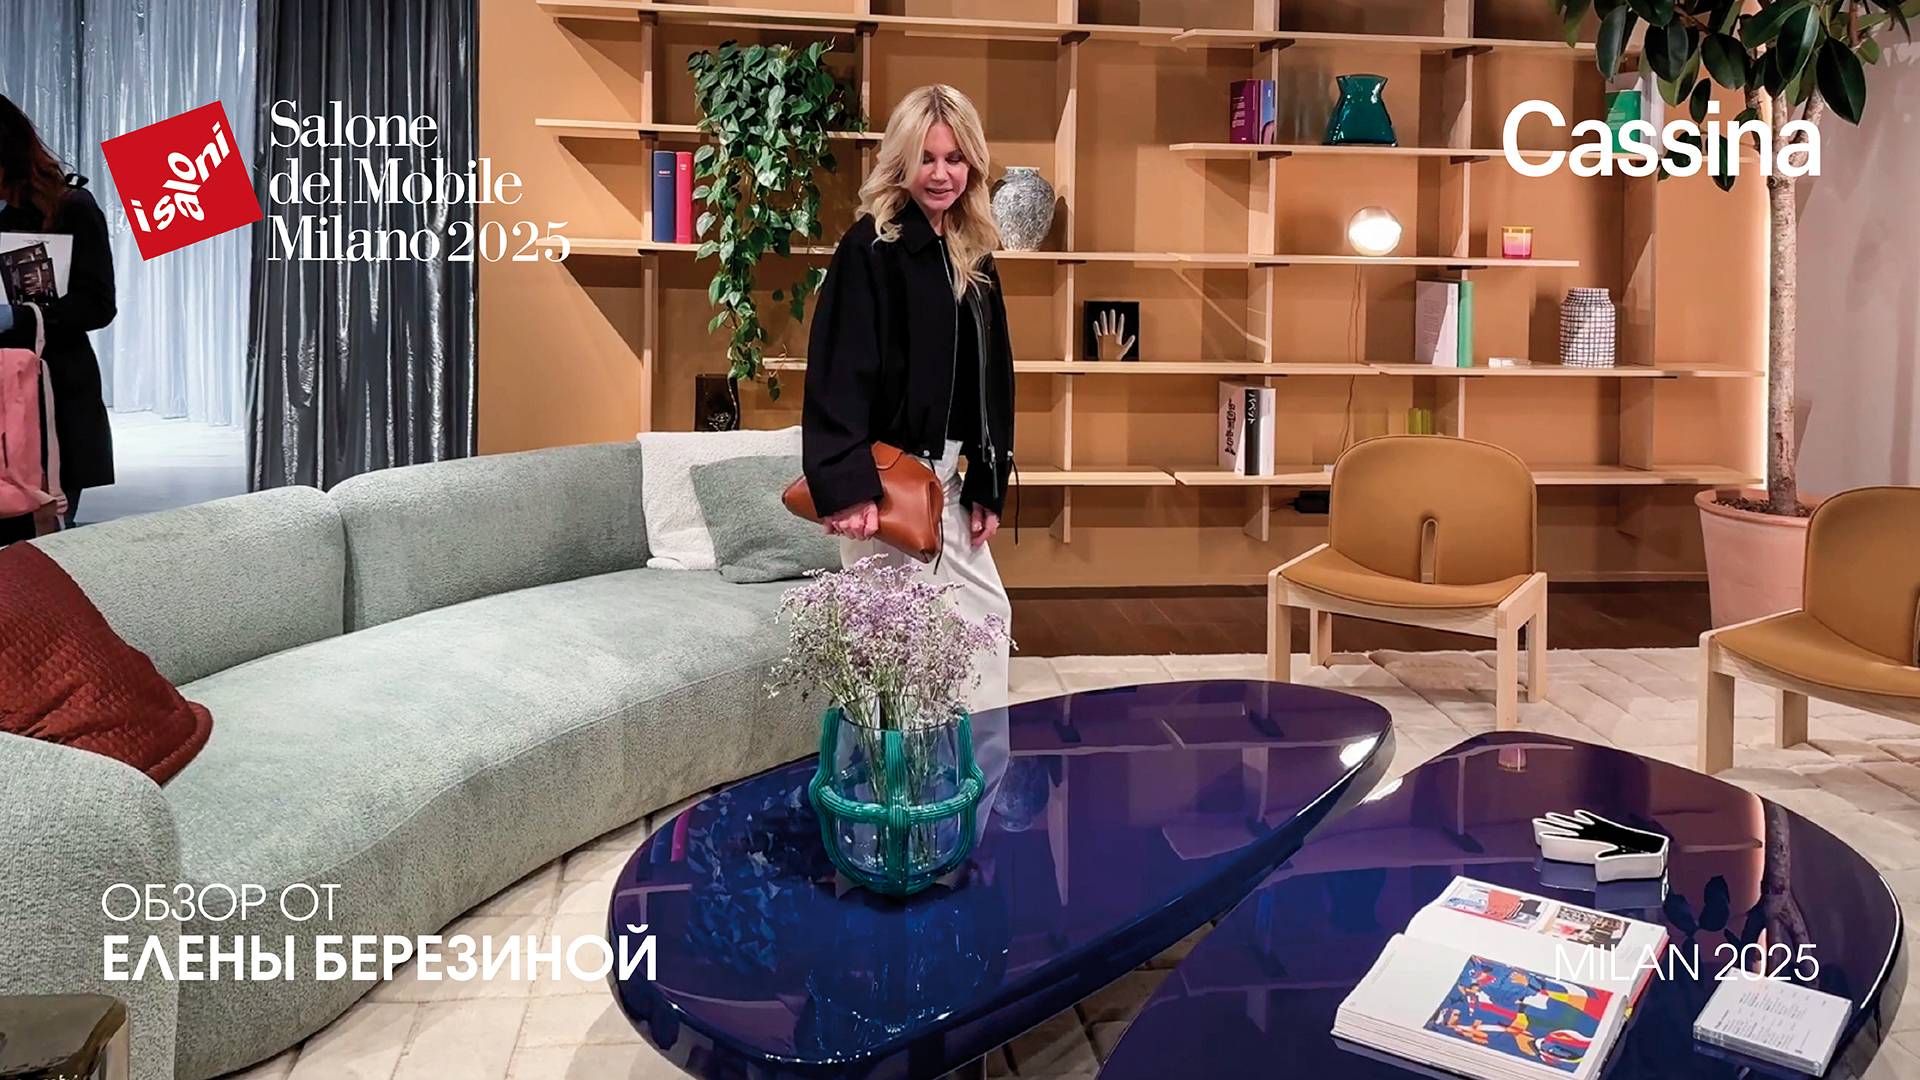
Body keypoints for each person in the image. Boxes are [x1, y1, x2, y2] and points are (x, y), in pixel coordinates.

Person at [801, 84, 1014, 710]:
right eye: (926, 158)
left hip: (947, 481)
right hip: (884, 488)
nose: (941, 174)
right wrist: (848, 488)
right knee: (889, 666)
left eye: (954, 158)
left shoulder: (973, 252)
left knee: (985, 624)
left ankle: (973, 766)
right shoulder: (871, 248)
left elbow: (993, 378)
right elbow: (837, 373)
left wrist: (988, 483)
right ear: (902, 161)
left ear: (972, 164)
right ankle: (889, 772)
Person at [0, 94, 116, 544]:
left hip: (49, 398)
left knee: (39, 549)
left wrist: (20, 318)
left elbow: (98, 304)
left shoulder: (70, 206)